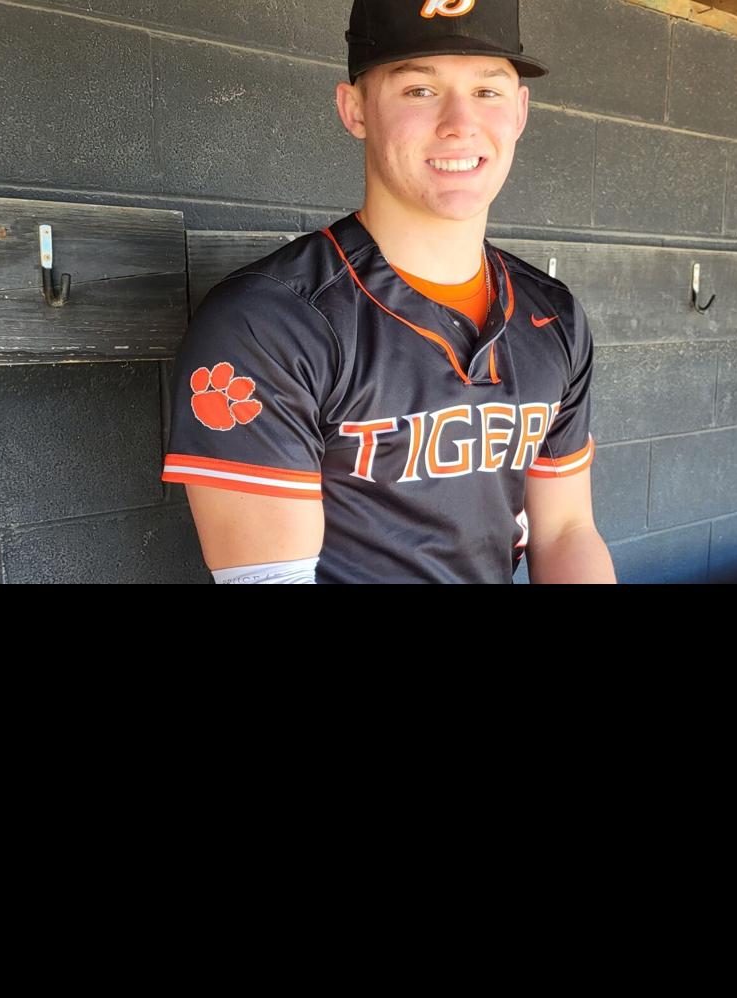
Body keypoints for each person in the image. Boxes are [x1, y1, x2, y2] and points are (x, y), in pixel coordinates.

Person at [161, 0, 615, 583]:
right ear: (355, 111)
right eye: (419, 91)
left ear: (521, 111)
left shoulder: (553, 315)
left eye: (488, 91)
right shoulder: (267, 322)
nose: (460, 122)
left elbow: (566, 531)